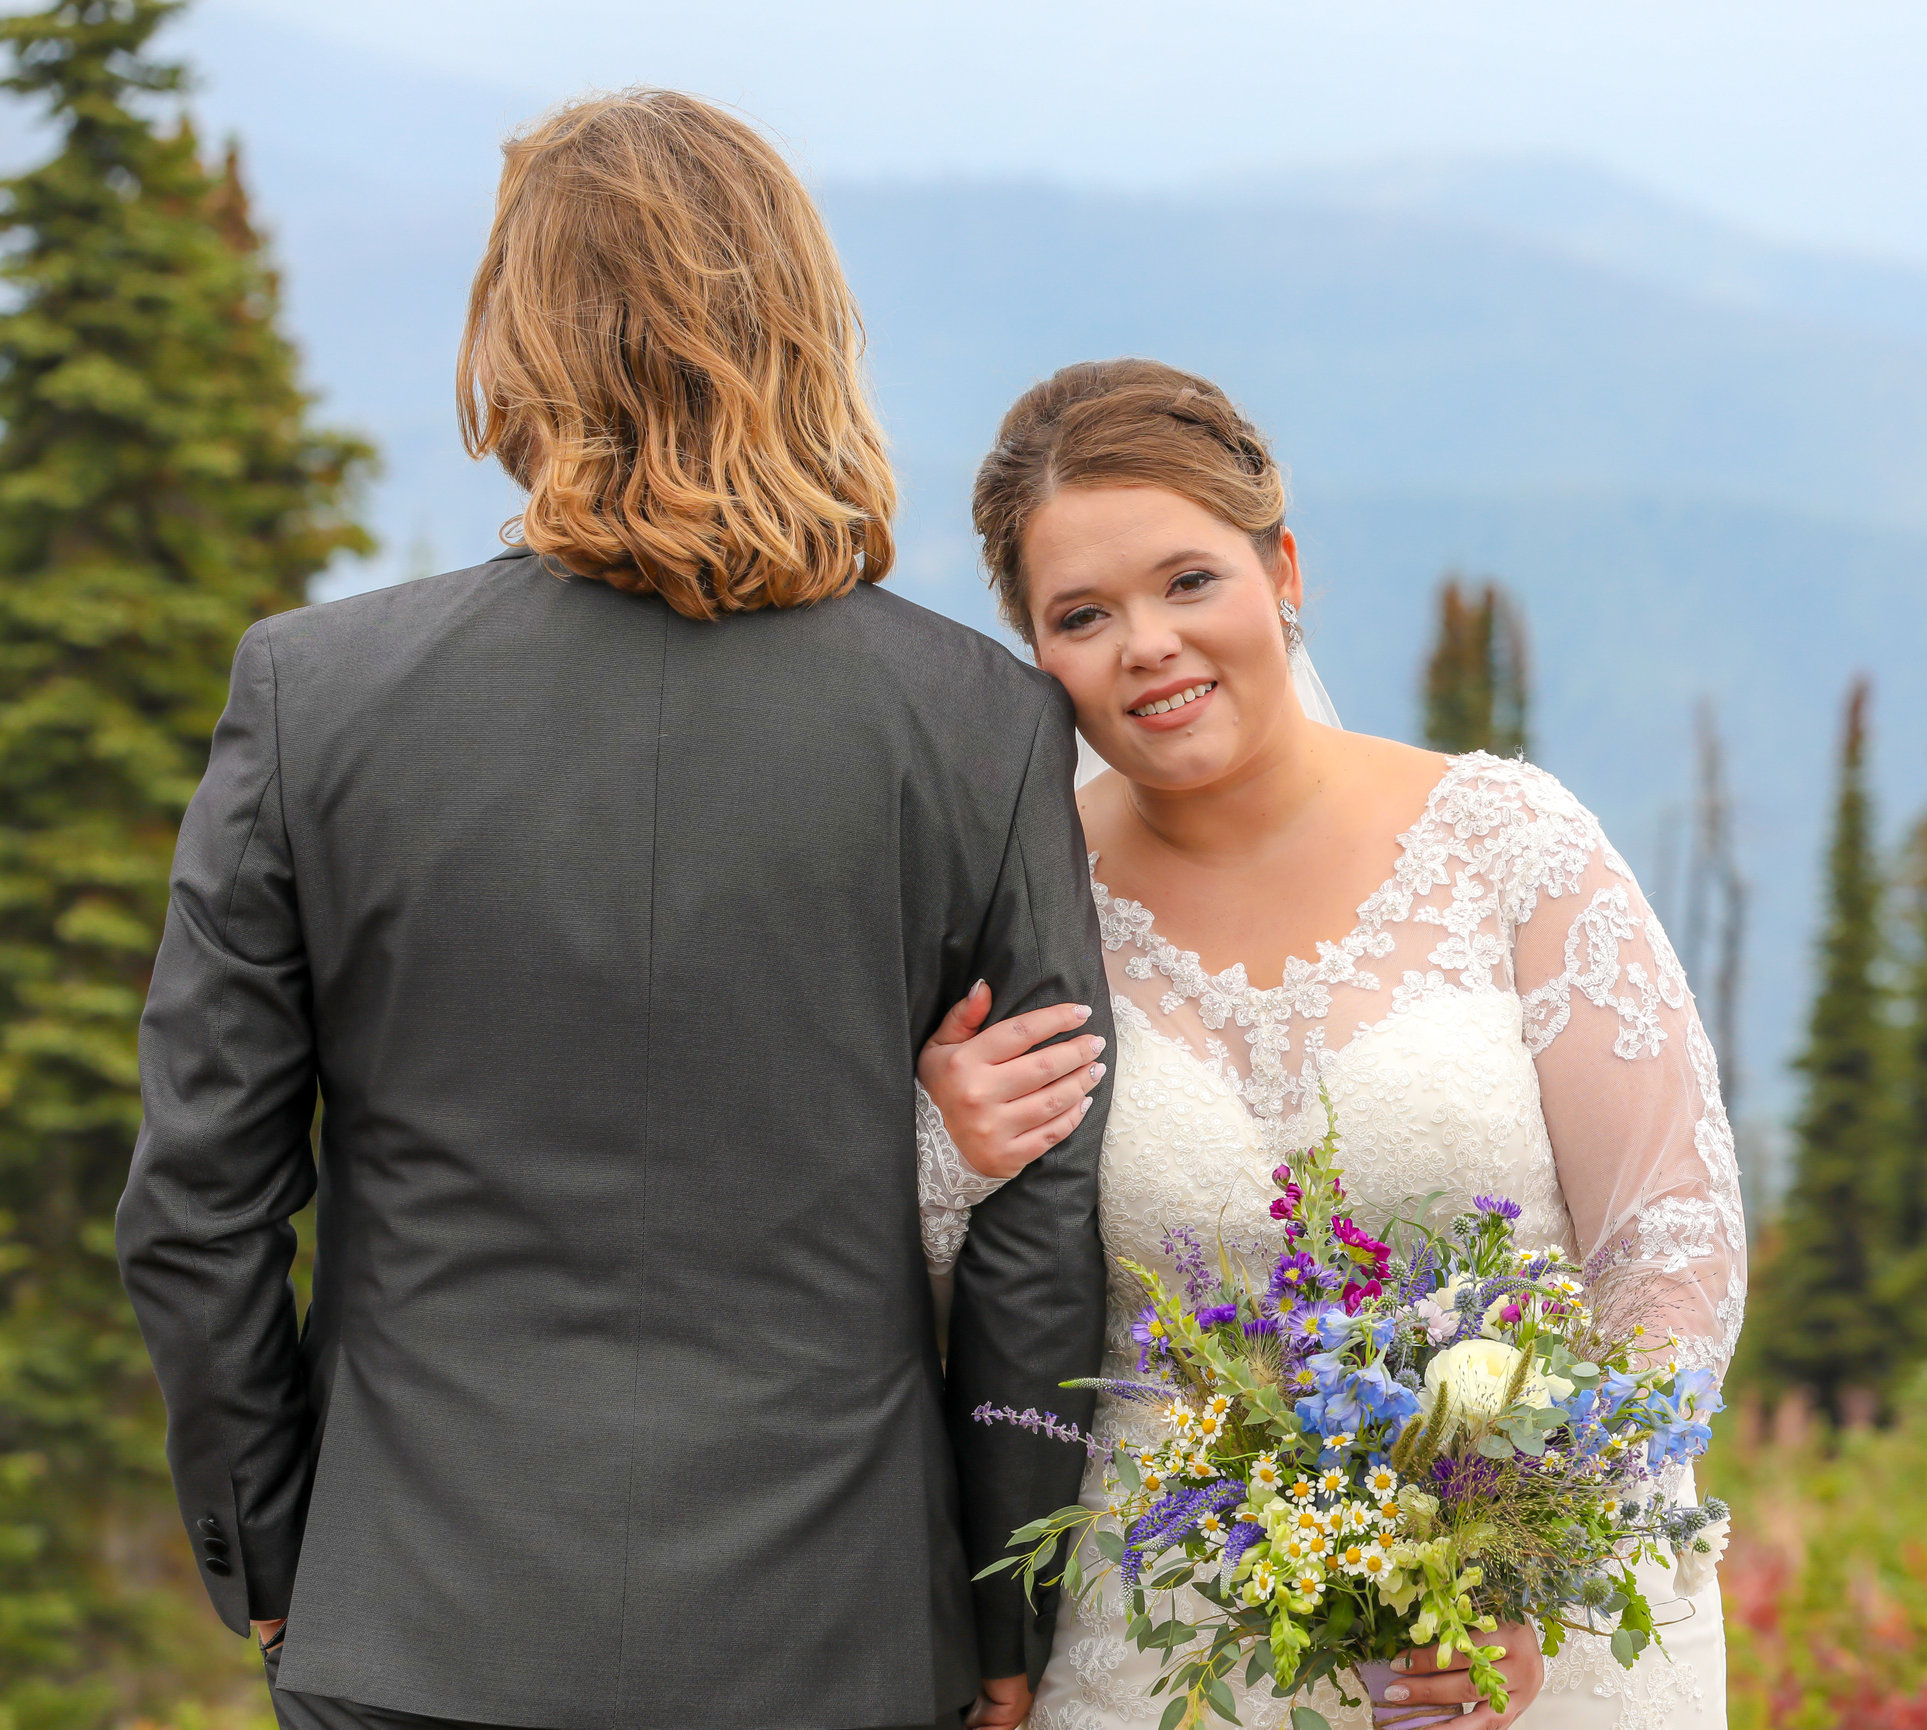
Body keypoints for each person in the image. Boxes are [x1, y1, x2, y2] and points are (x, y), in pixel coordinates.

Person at [115, 90, 1108, 1730]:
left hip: (414, 1625)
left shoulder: (315, 698)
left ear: (518, 340)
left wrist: (279, 1550)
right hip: (844, 1639)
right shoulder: (981, 722)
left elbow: (202, 1202)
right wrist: (1009, 1596)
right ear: (802, 326)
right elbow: (1035, 1221)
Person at [915, 359, 1746, 1730]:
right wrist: (944, 1150)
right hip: (1168, 1649)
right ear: (1036, 654)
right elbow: (949, 1320)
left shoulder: (1507, 847)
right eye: (1083, 614)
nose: (1148, 645)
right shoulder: (1024, 921)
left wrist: (1525, 1557)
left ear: (1282, 568)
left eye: (1190, 581)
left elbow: (1666, 1248)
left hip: (1528, 1652)